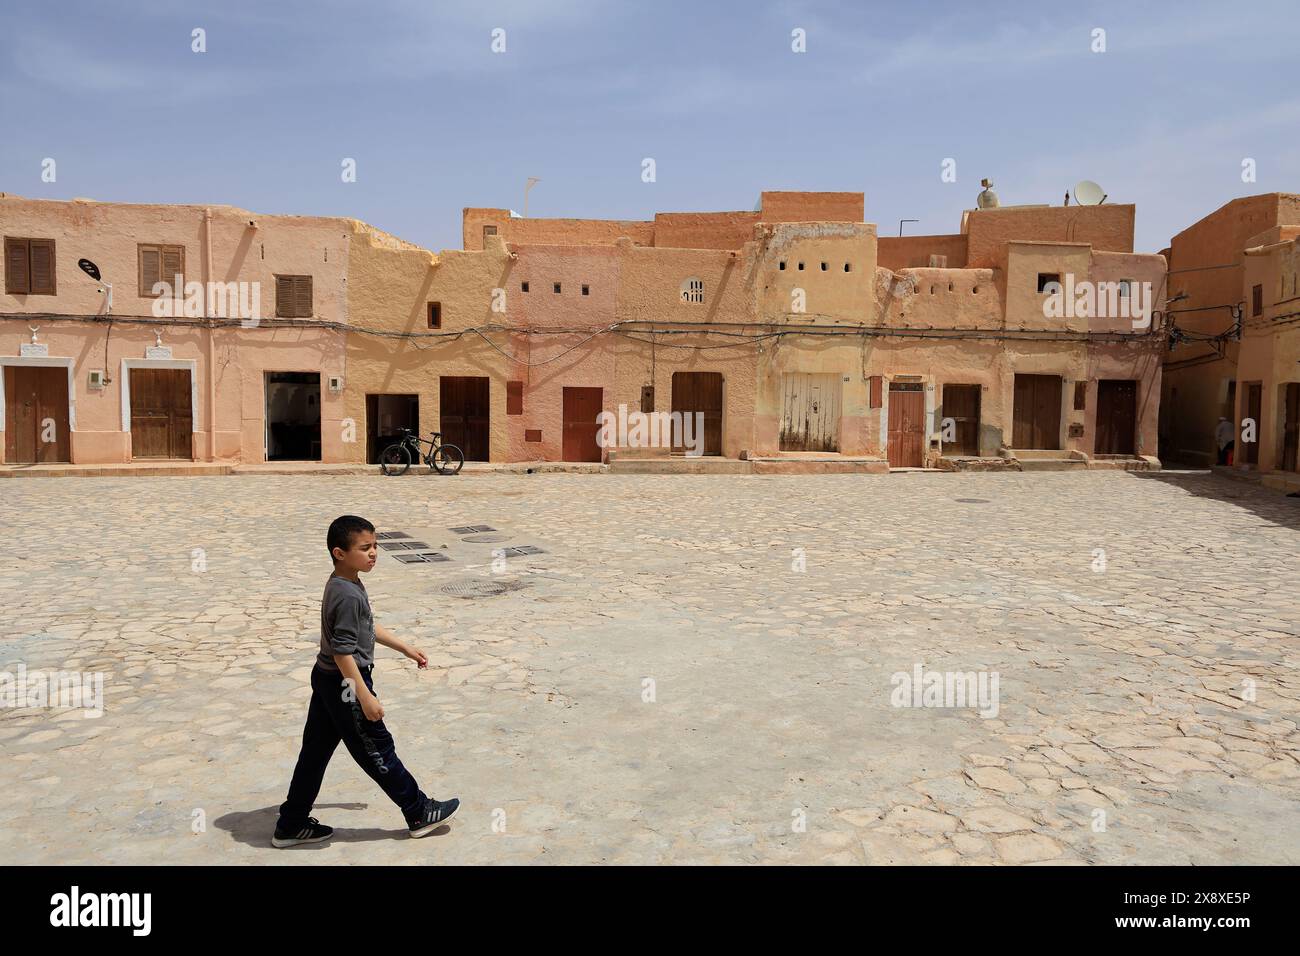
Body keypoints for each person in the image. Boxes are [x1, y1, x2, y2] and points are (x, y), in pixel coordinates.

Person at [273, 515, 459, 847]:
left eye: (375, 546)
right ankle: (418, 811)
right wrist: (365, 697)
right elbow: (344, 652)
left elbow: (365, 628)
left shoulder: (344, 582)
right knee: (377, 749)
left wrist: (404, 647)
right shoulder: (346, 594)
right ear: (339, 552)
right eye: (365, 548)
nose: (374, 553)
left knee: (314, 753)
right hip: (345, 683)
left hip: (328, 678)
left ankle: (292, 823)